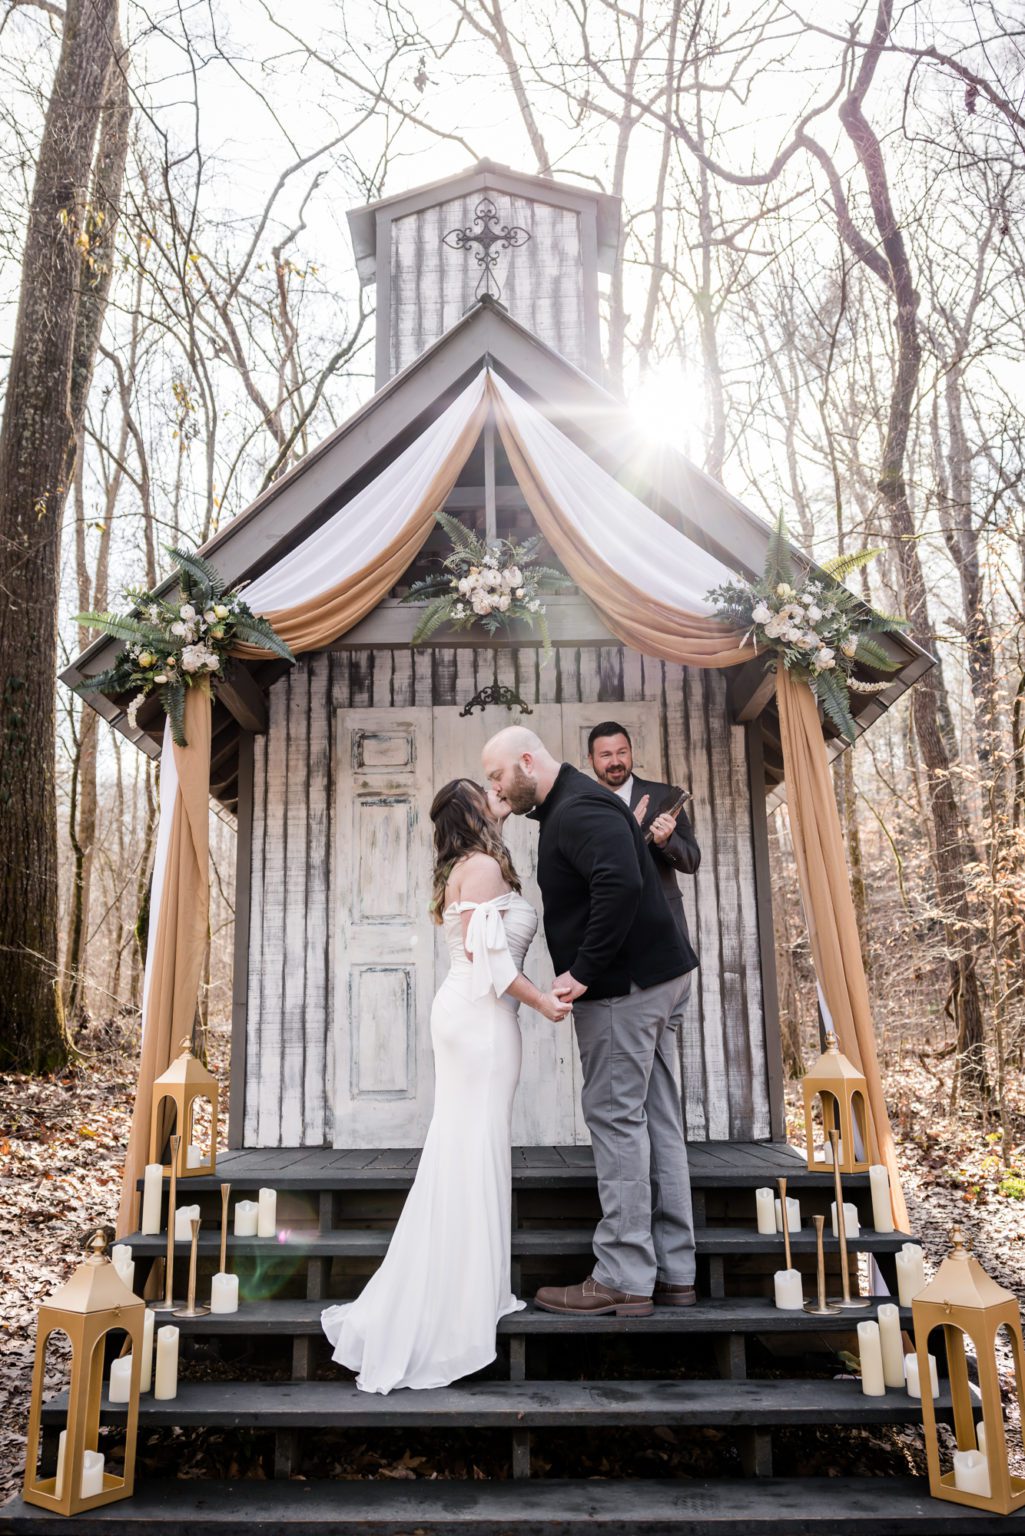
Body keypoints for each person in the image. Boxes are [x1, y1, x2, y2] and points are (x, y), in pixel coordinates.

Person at [320, 778, 571, 1393]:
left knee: (468, 1146)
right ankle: (461, 1303)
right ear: (472, 812)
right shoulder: (483, 867)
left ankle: (474, 1286)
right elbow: (493, 965)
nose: (497, 795)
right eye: (487, 793)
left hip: (473, 1014)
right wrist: (542, 1002)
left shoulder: (470, 863)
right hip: (483, 1017)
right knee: (472, 1146)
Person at [481, 726, 700, 1318]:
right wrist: (504, 811)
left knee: (615, 1121)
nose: (495, 787)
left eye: (499, 775)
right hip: (655, 978)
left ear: (528, 760)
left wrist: (583, 970)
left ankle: (625, 1276)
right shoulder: (577, 802)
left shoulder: (576, 808)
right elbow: (615, 864)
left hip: (623, 991)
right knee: (657, 1121)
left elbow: (621, 882)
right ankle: (675, 1271)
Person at [587, 720, 700, 1029]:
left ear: (631, 753)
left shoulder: (665, 796)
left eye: (622, 752)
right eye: (606, 755)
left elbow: (692, 861)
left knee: (663, 1039)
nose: (615, 761)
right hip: (612, 943)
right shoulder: (582, 806)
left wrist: (667, 841)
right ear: (591, 760)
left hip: (664, 937)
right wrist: (628, 835)